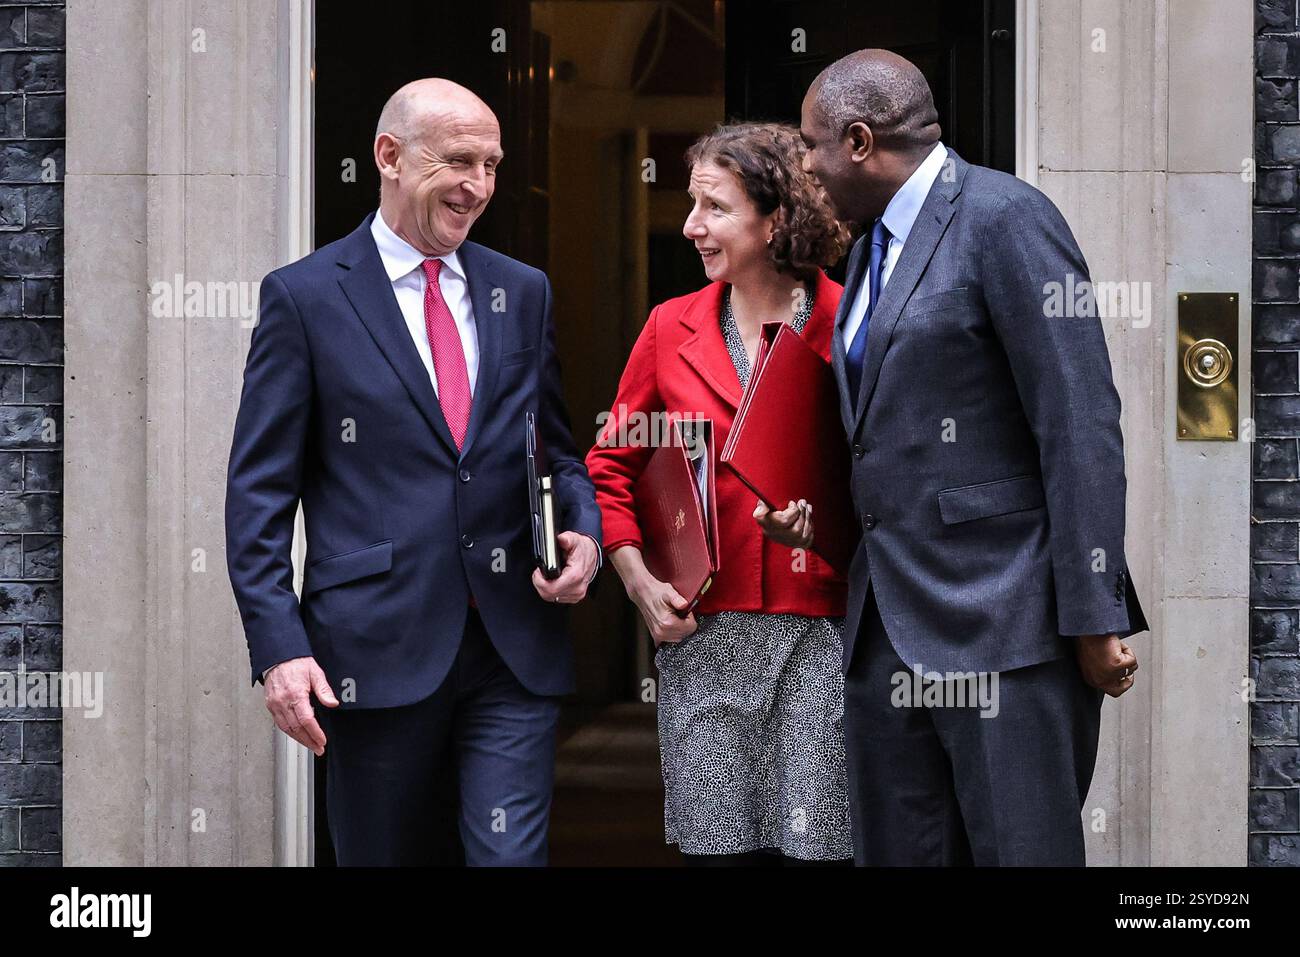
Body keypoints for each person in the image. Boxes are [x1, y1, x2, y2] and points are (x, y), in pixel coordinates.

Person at [757, 49, 1150, 866]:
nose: (805, 166)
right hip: (886, 633)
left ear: (860, 140)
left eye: (812, 144)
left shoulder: (1007, 218)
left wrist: (1095, 611)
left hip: (1006, 625)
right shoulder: (865, 251)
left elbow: (1078, 419)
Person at [224, 78, 602, 866]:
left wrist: (584, 534)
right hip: (369, 652)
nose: (480, 185)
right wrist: (278, 646)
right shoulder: (304, 299)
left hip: (512, 647)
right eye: (459, 160)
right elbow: (259, 494)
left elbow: (558, 450)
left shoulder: (521, 292)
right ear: (389, 157)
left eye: (493, 165)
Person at [586, 123, 853, 866]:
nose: (690, 226)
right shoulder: (667, 328)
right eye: (691, 204)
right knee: (717, 852)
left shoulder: (850, 322)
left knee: (818, 847)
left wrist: (820, 525)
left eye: (713, 207)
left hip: (821, 637)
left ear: (775, 220)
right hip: (702, 639)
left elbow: (883, 472)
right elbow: (610, 466)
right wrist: (638, 583)